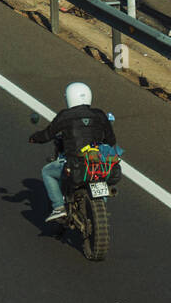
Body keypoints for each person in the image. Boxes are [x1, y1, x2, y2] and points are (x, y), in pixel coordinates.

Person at [29, 82, 117, 223]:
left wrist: (34, 138)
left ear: (69, 97)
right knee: (100, 175)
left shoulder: (66, 115)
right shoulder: (100, 115)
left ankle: (58, 207)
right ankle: (101, 203)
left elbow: (47, 134)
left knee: (47, 172)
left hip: (75, 163)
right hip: (97, 163)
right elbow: (111, 141)